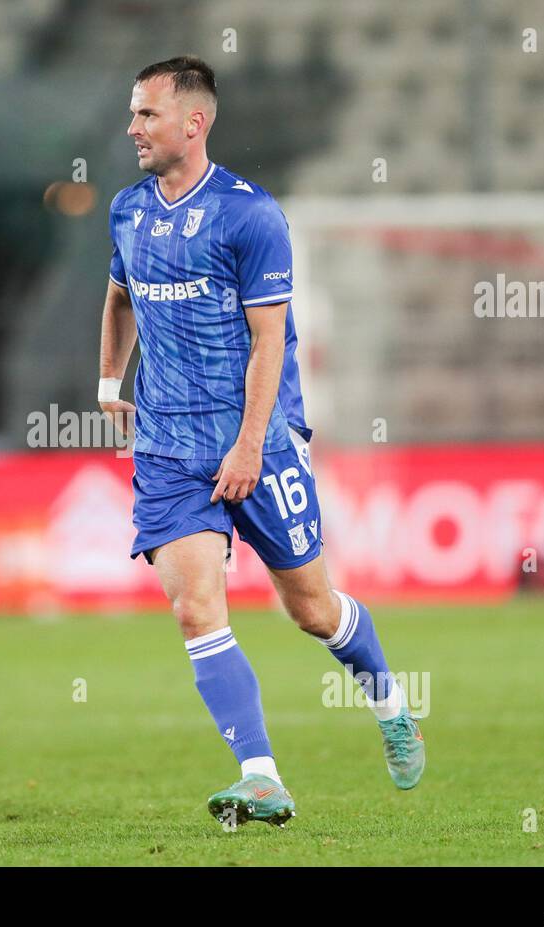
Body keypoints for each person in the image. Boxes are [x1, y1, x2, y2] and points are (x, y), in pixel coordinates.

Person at [98, 56, 425, 827]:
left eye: (146, 114)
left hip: (260, 442)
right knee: (194, 610)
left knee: (310, 609)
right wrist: (110, 382)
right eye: (133, 113)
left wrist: (248, 447)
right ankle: (261, 776)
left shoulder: (250, 215)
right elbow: (118, 297)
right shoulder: (127, 210)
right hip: (169, 447)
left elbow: (269, 343)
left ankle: (391, 702)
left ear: (194, 122)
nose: (132, 128)